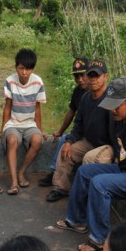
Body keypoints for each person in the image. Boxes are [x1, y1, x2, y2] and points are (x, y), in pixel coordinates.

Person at [55, 76, 126, 251]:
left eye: (117, 105)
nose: (112, 110)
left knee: (100, 184)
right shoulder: (119, 117)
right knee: (85, 172)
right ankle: (76, 220)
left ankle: (99, 240)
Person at [47, 59, 113, 201]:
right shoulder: (86, 98)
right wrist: (69, 142)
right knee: (66, 150)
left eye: (97, 76)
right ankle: (61, 187)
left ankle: (86, 197)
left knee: (90, 158)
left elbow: (118, 129)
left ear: (106, 76)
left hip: (108, 145)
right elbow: (78, 124)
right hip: (89, 141)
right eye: (91, 75)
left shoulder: (111, 99)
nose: (93, 79)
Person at [0, 47, 46, 194]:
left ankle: (21, 172)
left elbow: (37, 108)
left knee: (37, 141)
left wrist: (40, 130)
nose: (24, 73)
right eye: (21, 68)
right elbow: (7, 107)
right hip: (13, 123)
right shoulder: (10, 81)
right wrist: (2, 129)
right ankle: (13, 182)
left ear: (33, 69)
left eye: (28, 69)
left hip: (30, 123)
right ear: (16, 67)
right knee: (11, 140)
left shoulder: (38, 82)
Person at [39, 56, 88, 187]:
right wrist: (60, 131)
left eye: (83, 75)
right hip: (80, 132)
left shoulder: (95, 93)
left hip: (91, 137)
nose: (80, 80)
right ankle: (55, 172)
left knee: (69, 143)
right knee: (63, 140)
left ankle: (64, 179)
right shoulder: (78, 91)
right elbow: (71, 112)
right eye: (77, 77)